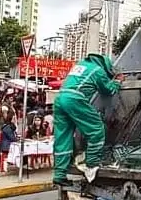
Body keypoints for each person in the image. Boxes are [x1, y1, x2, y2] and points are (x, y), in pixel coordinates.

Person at [52, 53, 122, 185]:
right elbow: (108, 90)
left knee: (63, 137)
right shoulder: (98, 70)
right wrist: (117, 82)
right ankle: (92, 164)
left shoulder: (80, 65)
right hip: (75, 99)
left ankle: (59, 175)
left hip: (60, 99)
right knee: (96, 129)